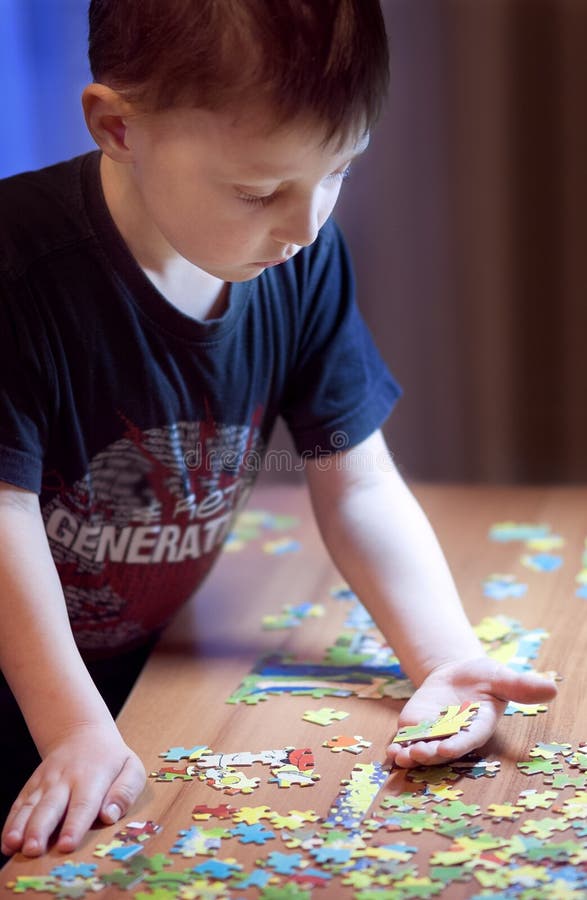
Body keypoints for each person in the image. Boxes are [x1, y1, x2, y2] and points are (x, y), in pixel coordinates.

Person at [0, 0, 556, 860]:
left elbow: (360, 485)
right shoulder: (17, 268)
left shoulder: (295, 257)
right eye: (260, 190)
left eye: (337, 173)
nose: (306, 226)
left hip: (128, 680)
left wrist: (442, 656)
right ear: (118, 127)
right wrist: (70, 724)